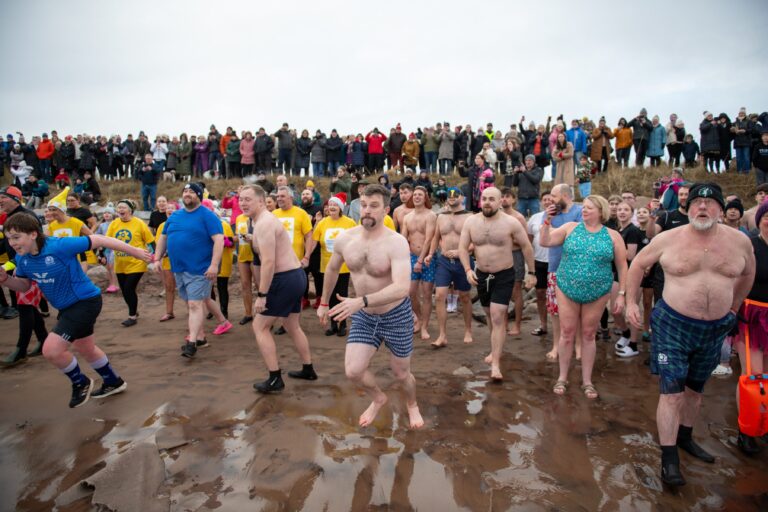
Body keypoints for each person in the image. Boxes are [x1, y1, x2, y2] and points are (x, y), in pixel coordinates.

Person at [626, 182, 755, 487]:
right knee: (671, 393)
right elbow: (638, 266)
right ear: (687, 206)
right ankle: (669, 459)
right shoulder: (669, 239)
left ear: (721, 210)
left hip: (714, 327)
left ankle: (685, 438)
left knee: (695, 390)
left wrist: (735, 305)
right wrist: (629, 300)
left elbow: (748, 272)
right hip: (673, 324)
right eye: (696, 201)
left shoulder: (739, 242)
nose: (702, 207)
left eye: (710, 204)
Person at [1, 212, 152, 407]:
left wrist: (136, 252)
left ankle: (80, 382)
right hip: (67, 307)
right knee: (85, 348)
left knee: (51, 350)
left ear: (32, 234)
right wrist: (6, 280)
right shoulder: (22, 260)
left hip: (85, 301)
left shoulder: (58, 246)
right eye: (9, 239)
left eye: (16, 237)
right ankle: (113, 382)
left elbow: (98, 239)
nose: (12, 243)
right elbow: (24, 285)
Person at [317, 184, 423, 429]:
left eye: (374, 206)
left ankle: (412, 404)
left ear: (386, 209)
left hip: (395, 315)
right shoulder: (346, 239)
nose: (366, 210)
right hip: (365, 316)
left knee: (401, 374)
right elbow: (332, 268)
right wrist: (323, 302)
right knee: (353, 371)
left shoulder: (396, 242)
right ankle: (378, 398)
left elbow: (401, 287)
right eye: (363, 205)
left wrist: (360, 301)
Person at [540, 195, 627, 399]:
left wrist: (622, 294)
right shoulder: (571, 227)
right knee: (567, 332)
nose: (584, 210)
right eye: (584, 207)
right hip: (566, 285)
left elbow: (623, 267)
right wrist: (546, 222)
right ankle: (562, 377)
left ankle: (587, 381)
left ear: (600, 211)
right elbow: (545, 241)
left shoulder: (613, 236)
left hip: (598, 290)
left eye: (589, 208)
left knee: (588, 334)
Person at [237, 185, 316, 393]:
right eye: (240, 199)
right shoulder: (265, 221)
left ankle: (274, 378)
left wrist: (262, 295)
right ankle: (308, 369)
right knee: (292, 326)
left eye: (248, 199)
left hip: (284, 278)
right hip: (295, 276)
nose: (243, 203)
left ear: (261, 202)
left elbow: (269, 262)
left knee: (260, 327)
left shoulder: (263, 223)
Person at [459, 187, 536, 381]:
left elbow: (526, 246)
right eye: (484, 198)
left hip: (503, 274)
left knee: (497, 316)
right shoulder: (471, 221)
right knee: (488, 314)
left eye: (492, 199)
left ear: (500, 201)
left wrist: (532, 273)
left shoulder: (511, 222)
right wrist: (468, 270)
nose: (487, 202)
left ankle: (496, 364)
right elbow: (462, 248)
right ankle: (496, 349)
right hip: (482, 275)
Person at [152, 183, 230, 358]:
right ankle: (201, 337)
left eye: (192, 192)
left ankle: (192, 342)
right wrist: (157, 258)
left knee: (195, 304)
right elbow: (164, 238)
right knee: (191, 303)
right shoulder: (174, 216)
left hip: (200, 269)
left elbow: (218, 240)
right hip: (178, 268)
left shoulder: (207, 216)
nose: (187, 194)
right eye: (185, 191)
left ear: (199, 196)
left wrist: (214, 265)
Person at [735, 200, 768, 454]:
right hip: (752, 313)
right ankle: (746, 429)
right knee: (752, 376)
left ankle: (764, 425)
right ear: (759, 219)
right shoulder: (751, 246)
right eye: (766, 215)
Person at [426, 187, 473, 347]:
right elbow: (435, 238)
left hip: (463, 261)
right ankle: (442, 335)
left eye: (455, 195)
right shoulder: (441, 217)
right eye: (449, 196)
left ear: (461, 197)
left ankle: (468, 330)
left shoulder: (470, 217)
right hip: (444, 260)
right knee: (439, 296)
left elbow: (475, 241)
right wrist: (431, 254)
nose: (452, 198)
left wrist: (462, 251)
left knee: (465, 297)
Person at [542, 184, 583, 362]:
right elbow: (547, 238)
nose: (550, 199)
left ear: (565, 196)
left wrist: (558, 233)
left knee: (579, 310)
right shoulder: (549, 214)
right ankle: (556, 345)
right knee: (554, 310)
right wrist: (549, 220)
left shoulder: (580, 212)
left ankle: (579, 345)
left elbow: (580, 236)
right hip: (555, 267)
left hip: (576, 269)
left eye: (553, 195)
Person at [312, 195, 356, 336]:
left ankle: (343, 324)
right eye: (330, 205)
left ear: (340, 208)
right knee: (329, 296)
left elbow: (357, 241)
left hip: (343, 267)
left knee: (341, 295)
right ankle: (333, 324)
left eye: (335, 205)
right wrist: (307, 256)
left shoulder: (349, 223)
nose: (332, 207)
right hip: (327, 265)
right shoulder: (322, 223)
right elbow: (314, 241)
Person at [106, 199, 154, 327]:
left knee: (128, 288)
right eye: (119, 207)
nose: (120, 210)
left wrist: (155, 256)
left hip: (137, 262)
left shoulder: (139, 223)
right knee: (125, 290)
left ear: (130, 210)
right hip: (120, 262)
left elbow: (151, 241)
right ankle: (134, 310)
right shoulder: (114, 224)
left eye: (123, 207)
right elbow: (107, 240)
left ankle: (132, 316)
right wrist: (102, 254)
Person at [401, 186, 437, 341]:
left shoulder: (430, 215)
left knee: (427, 293)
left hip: (427, 258)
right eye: (414, 195)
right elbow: (403, 239)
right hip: (411, 257)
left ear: (425, 197)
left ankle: (424, 326)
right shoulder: (407, 217)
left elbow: (429, 239)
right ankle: (419, 318)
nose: (416, 197)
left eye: (420, 195)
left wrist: (421, 260)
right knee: (410, 292)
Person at [500, 187, 535, 337]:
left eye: (508, 196)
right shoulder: (497, 216)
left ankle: (517, 325)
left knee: (516, 290)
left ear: (514, 199)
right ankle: (504, 323)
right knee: (501, 291)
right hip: (500, 255)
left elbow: (525, 241)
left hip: (515, 255)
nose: (504, 199)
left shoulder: (518, 218)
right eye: (502, 197)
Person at [527, 192, 554, 338]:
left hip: (557, 262)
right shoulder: (535, 217)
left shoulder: (560, 216)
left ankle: (562, 327)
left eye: (551, 199)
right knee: (540, 293)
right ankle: (543, 325)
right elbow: (529, 239)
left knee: (560, 296)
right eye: (545, 199)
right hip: (539, 261)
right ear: (541, 202)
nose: (548, 202)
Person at [155, 202, 177, 322]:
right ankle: (169, 312)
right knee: (169, 286)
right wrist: (158, 257)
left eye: (172, 208)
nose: (170, 210)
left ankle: (192, 311)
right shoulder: (162, 225)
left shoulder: (181, 222)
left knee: (186, 287)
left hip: (182, 260)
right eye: (168, 208)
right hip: (168, 260)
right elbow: (159, 242)